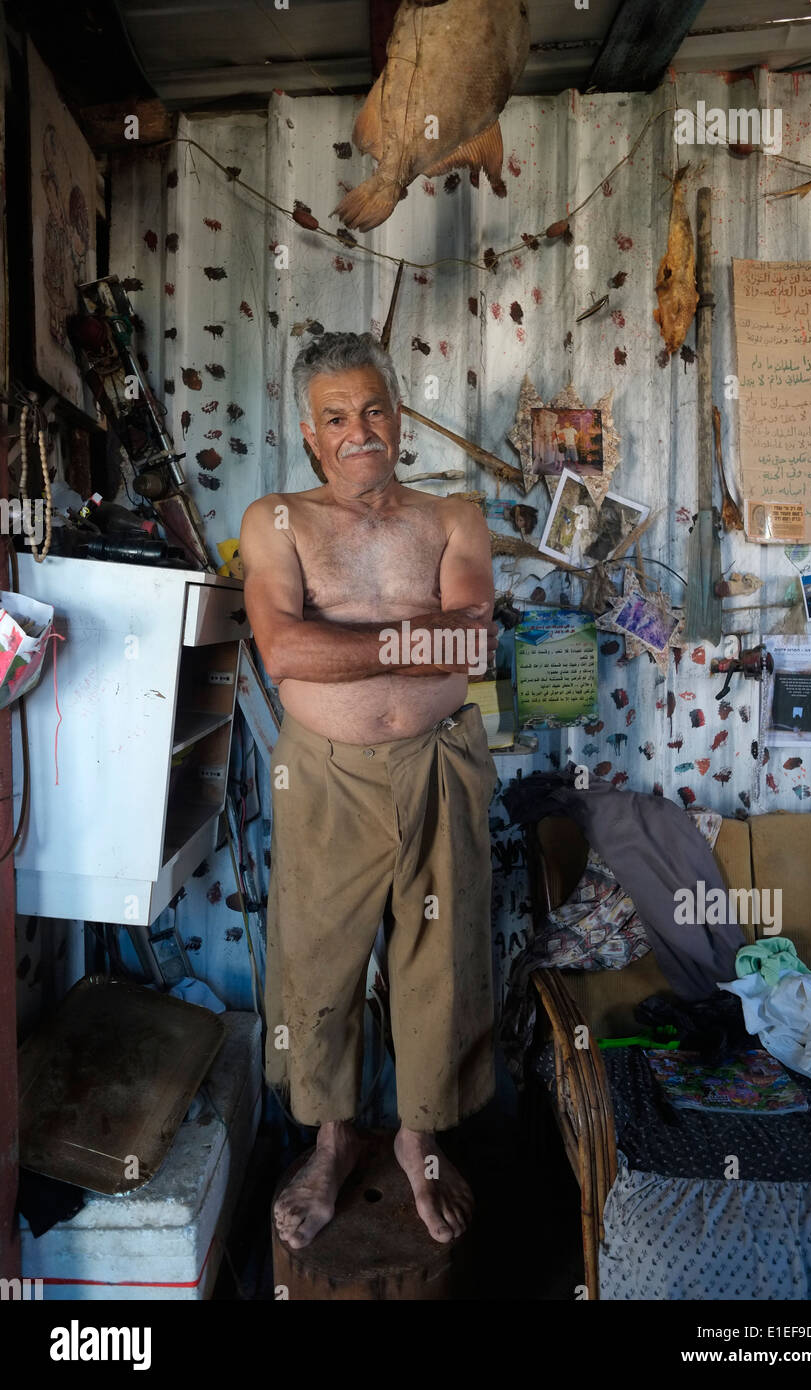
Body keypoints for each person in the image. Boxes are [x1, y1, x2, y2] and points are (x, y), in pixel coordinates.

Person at [240, 332, 499, 1252]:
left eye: (376, 410)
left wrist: (353, 638)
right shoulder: (276, 521)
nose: (361, 432)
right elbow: (284, 651)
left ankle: (419, 1139)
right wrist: (405, 636)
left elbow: (471, 644)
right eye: (338, 418)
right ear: (312, 434)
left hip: (439, 763)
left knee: (444, 959)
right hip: (326, 775)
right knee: (319, 960)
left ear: (400, 417)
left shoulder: (455, 517)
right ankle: (334, 1142)